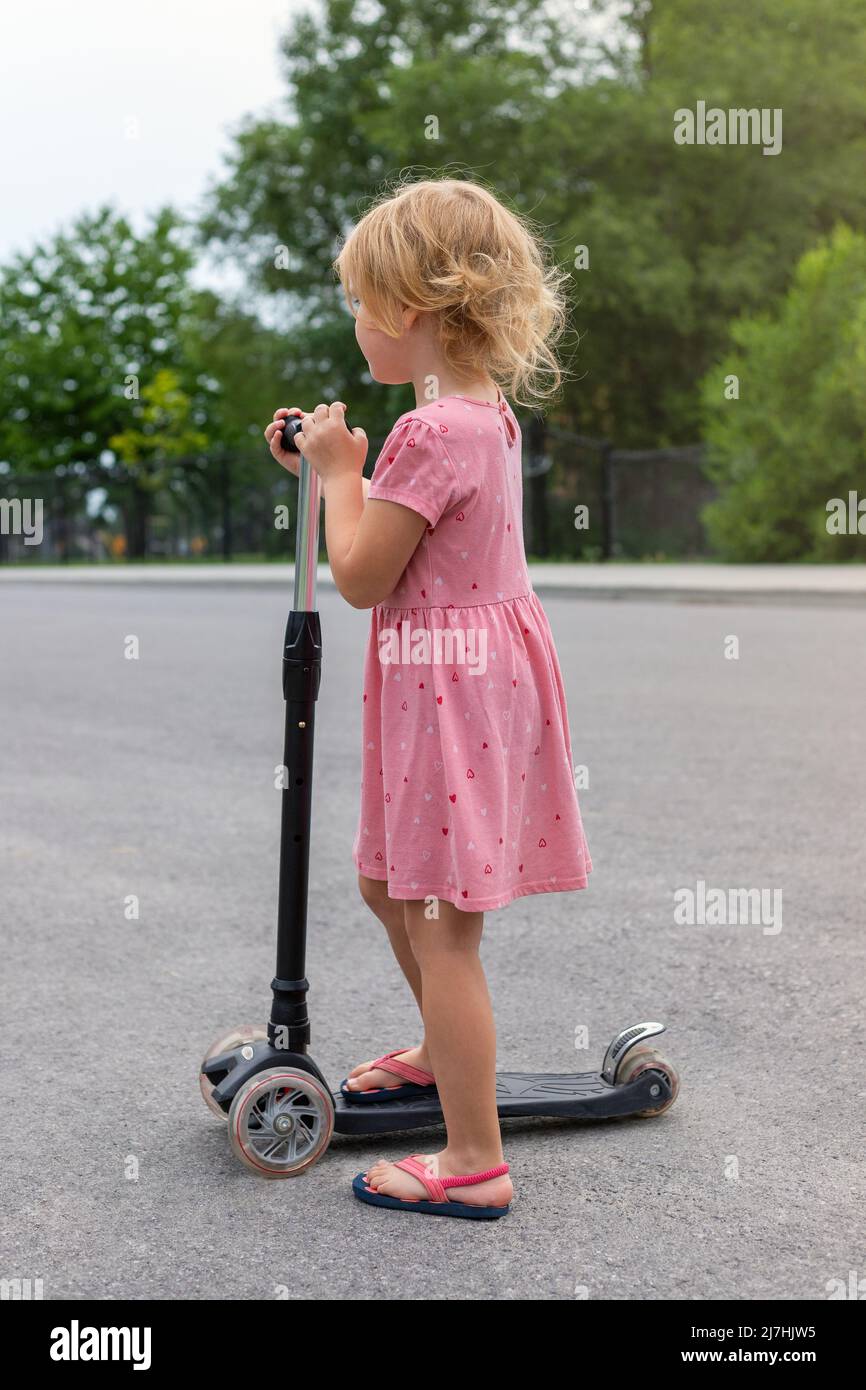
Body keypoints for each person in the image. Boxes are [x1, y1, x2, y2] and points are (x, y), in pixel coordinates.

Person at [264, 176, 592, 1220]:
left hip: (444, 692)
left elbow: (359, 575)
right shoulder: (475, 417)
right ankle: (438, 1051)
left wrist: (335, 477)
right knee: (385, 880)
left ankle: (473, 1160)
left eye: (362, 303)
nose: (357, 323)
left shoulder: (429, 436)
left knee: (439, 919)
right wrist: (336, 464)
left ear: (410, 310)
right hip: (464, 681)